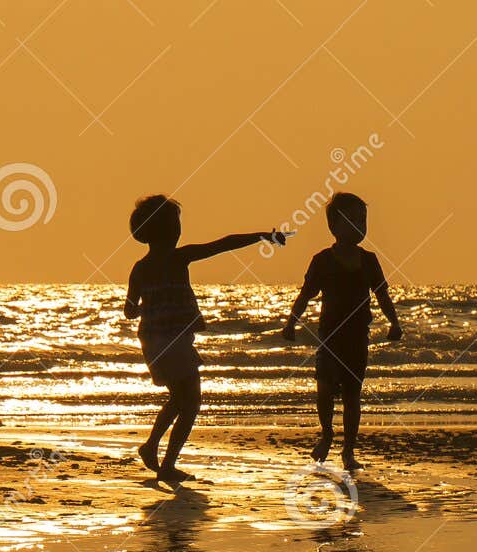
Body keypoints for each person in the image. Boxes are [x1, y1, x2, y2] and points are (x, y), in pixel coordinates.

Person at [125, 196, 284, 483]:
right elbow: (223, 244)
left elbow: (128, 310)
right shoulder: (178, 258)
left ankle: (151, 447)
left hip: (153, 343)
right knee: (191, 402)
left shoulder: (139, 268)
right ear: (165, 230)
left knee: (179, 399)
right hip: (173, 342)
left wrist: (145, 307)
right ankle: (167, 464)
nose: (179, 229)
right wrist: (263, 236)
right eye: (175, 224)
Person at [280, 192, 402, 474]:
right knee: (324, 388)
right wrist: (291, 323)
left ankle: (348, 450)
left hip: (357, 338)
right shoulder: (323, 260)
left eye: (363, 220)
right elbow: (305, 295)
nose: (360, 226)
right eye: (353, 220)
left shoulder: (369, 260)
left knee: (352, 395)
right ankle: (326, 434)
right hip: (330, 338)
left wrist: (394, 323)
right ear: (333, 226)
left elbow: (382, 295)